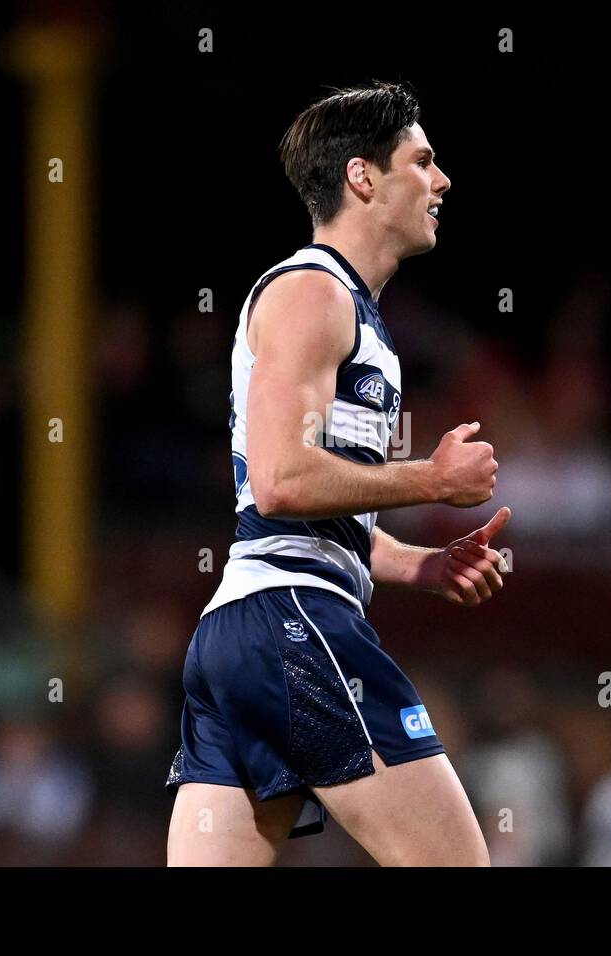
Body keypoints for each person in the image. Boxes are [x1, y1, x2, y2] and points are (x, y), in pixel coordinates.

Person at [165, 80, 511, 866]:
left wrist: (418, 563)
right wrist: (432, 481)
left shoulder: (341, 304)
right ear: (363, 177)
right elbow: (285, 479)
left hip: (243, 631)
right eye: (423, 161)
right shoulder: (313, 292)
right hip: (295, 622)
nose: (441, 181)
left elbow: (298, 507)